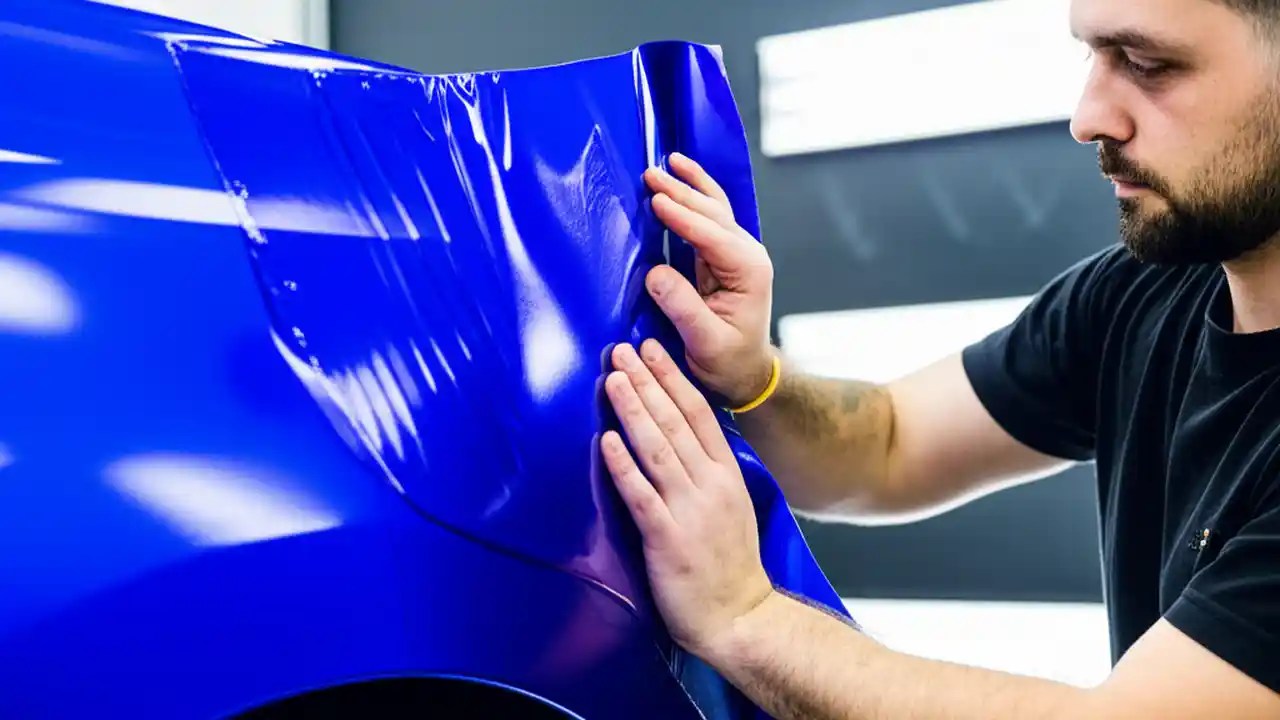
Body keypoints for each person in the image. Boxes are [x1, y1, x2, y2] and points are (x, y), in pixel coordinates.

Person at [597, 0, 1280, 717]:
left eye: (1147, 65)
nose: (1088, 116)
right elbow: (888, 445)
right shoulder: (1142, 297)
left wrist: (746, 618)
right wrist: (751, 376)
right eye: (1095, 57)